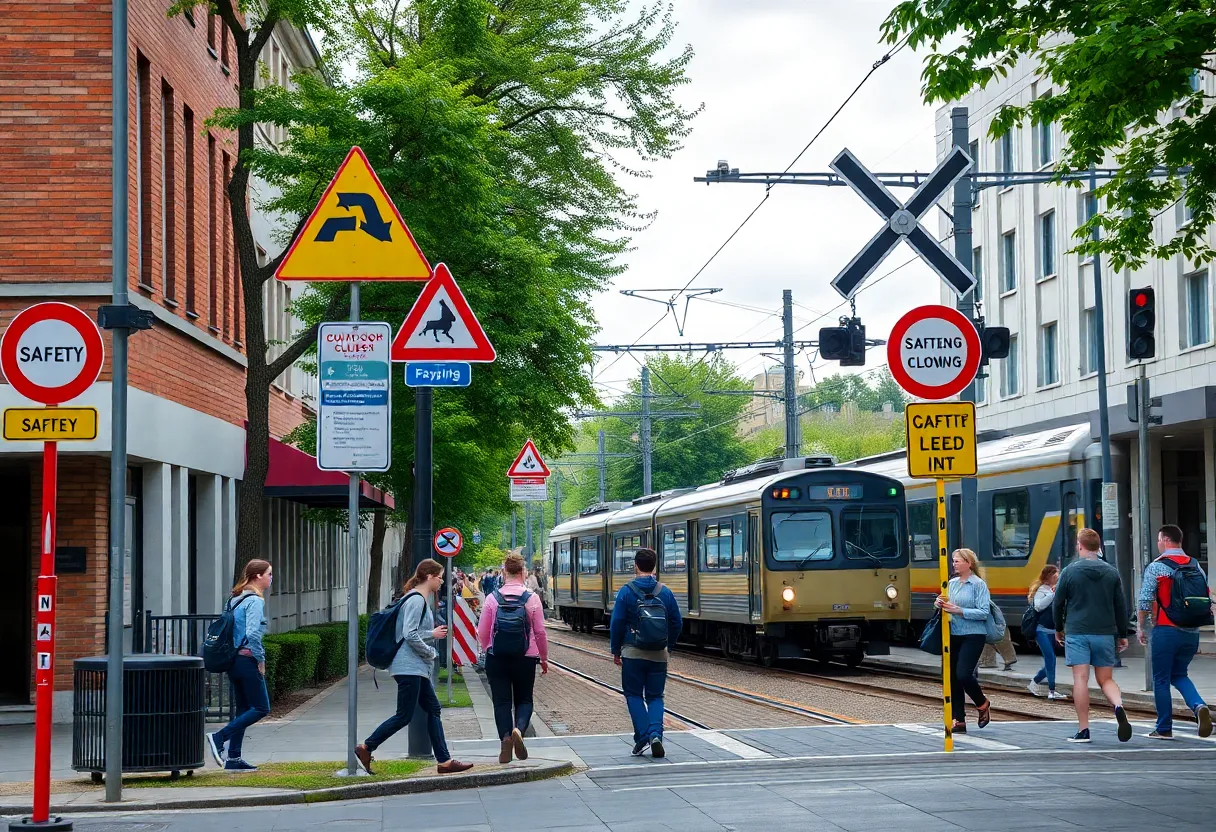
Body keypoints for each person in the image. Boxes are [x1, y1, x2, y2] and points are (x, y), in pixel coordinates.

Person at [355, 559, 474, 775]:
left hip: (413, 666)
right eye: (439, 577)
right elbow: (409, 634)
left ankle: (445, 761)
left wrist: (429, 639)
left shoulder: (415, 598)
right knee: (404, 715)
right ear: (429, 577)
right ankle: (367, 746)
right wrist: (431, 644)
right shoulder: (416, 600)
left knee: (433, 709)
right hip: (409, 666)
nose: (441, 582)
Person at [1053, 528, 1132, 744]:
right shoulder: (1111, 572)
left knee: (1081, 678)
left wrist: (1058, 628)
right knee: (1106, 679)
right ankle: (1118, 705)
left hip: (1078, 632)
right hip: (1105, 633)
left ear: (1079, 545)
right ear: (1098, 547)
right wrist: (1122, 634)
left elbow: (1058, 603)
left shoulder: (1069, 571)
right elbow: (1120, 606)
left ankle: (1083, 730)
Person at [1137, 524, 1213, 740]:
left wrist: (1141, 627)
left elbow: (1144, 601)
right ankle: (1198, 706)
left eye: (1159, 540)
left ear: (1164, 539)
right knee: (1179, 674)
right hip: (1192, 630)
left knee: (1160, 678)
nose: (1158, 543)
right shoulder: (1196, 565)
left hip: (1166, 630)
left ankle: (1163, 728)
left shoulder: (1157, 566)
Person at [476, 553, 549, 763]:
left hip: (497, 657)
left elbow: (482, 631)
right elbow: (540, 632)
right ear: (523, 573)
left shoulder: (492, 598)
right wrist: (543, 658)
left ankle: (506, 739)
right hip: (525, 657)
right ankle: (519, 729)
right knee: (524, 699)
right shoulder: (532, 598)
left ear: (504, 573)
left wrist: (489, 648)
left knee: (501, 702)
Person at [610, 547, 682, 758]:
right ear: (654, 567)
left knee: (633, 694)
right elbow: (677, 622)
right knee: (655, 697)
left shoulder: (626, 591)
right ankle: (656, 735)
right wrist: (669, 644)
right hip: (659, 654)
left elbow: (617, 623)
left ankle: (642, 737)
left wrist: (615, 649)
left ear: (635, 566)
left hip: (632, 653)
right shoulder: (665, 592)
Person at [206, 559, 273, 771]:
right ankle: (219, 737)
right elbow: (253, 633)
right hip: (246, 659)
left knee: (243, 708)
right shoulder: (255, 601)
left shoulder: (234, 599)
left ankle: (233, 758)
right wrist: (260, 660)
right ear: (258, 576)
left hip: (233, 661)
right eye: (269, 574)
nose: (272, 578)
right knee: (262, 707)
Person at [935, 549, 993, 734]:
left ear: (969, 563)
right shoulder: (950, 584)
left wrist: (959, 610)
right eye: (953, 561)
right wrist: (939, 603)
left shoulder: (978, 585)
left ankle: (982, 703)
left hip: (973, 635)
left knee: (963, 674)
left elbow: (984, 612)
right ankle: (958, 719)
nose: (954, 564)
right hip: (953, 634)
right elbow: (945, 604)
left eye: (958, 561)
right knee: (952, 678)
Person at [1026, 565, 1067, 700]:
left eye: (1058, 575)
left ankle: (1035, 682)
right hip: (1041, 630)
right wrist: (1053, 594)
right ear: (1048, 576)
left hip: (1053, 631)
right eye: (1055, 575)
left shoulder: (1055, 590)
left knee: (1051, 661)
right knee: (1051, 658)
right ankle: (1051, 690)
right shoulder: (1042, 590)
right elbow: (1038, 606)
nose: (1057, 577)